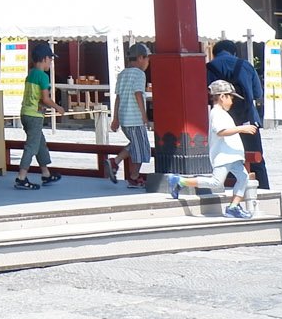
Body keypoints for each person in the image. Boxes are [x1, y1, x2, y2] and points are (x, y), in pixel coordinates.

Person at [168, 79, 259, 218]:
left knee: (243, 177)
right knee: (216, 182)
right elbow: (220, 131)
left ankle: (233, 206)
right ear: (222, 96)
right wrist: (242, 128)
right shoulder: (216, 113)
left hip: (232, 155)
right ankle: (180, 181)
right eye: (231, 97)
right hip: (223, 155)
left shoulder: (221, 113)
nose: (232, 101)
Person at [207, 39, 270, 189]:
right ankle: (263, 190)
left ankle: (230, 191)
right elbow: (257, 93)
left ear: (215, 54)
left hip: (224, 121)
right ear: (234, 52)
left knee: (225, 158)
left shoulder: (209, 67)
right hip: (248, 120)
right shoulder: (246, 65)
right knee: (256, 158)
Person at [13, 42, 65, 190]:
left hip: (25, 114)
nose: (51, 62)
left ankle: (46, 173)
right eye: (50, 59)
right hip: (35, 116)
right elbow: (45, 98)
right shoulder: (43, 77)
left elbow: (35, 98)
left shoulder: (30, 74)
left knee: (40, 143)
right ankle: (21, 177)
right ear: (44, 59)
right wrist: (58, 108)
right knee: (31, 146)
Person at [110, 42, 152, 188]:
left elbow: (118, 97)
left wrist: (115, 118)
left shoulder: (122, 74)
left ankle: (127, 172)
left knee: (136, 146)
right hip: (135, 117)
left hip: (123, 116)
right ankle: (126, 171)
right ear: (141, 58)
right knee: (141, 147)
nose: (147, 63)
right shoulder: (139, 74)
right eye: (147, 59)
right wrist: (144, 116)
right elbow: (138, 94)